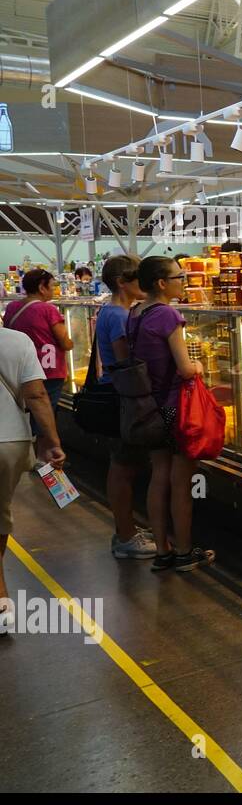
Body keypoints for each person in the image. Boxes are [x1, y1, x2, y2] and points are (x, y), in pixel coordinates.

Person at [129, 256, 214, 572]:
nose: (184, 281)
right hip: (174, 408)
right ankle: (184, 551)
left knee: (158, 477)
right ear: (162, 283)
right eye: (180, 276)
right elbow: (185, 368)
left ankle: (163, 551)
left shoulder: (136, 313)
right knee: (181, 482)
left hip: (147, 408)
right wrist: (199, 366)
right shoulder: (168, 315)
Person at [0, 324, 66, 633]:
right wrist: (52, 442)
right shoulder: (17, 341)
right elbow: (37, 394)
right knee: (1, 513)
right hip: (10, 441)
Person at [96, 254, 157, 560]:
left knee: (122, 466)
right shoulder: (119, 316)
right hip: (124, 398)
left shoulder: (111, 311)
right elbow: (126, 362)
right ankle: (125, 536)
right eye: (138, 277)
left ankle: (126, 529)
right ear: (122, 282)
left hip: (115, 393)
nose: (143, 283)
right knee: (123, 468)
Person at [2, 269, 73, 447]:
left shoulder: (12, 307)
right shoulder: (48, 310)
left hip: (21, 369)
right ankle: (45, 457)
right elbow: (64, 341)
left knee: (27, 412)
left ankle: (30, 452)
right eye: (52, 286)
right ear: (42, 287)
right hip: (49, 370)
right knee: (45, 413)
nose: (54, 290)